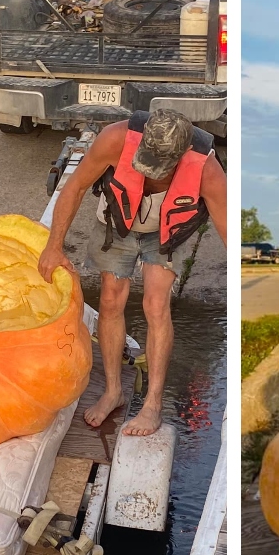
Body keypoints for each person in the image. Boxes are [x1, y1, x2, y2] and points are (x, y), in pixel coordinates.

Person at [38, 109, 227, 436]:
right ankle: (113, 391)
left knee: (155, 305)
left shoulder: (207, 169)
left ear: (183, 153)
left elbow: (228, 229)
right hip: (117, 222)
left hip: (168, 232)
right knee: (110, 300)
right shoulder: (115, 138)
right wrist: (54, 246)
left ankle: (152, 405)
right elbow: (76, 187)